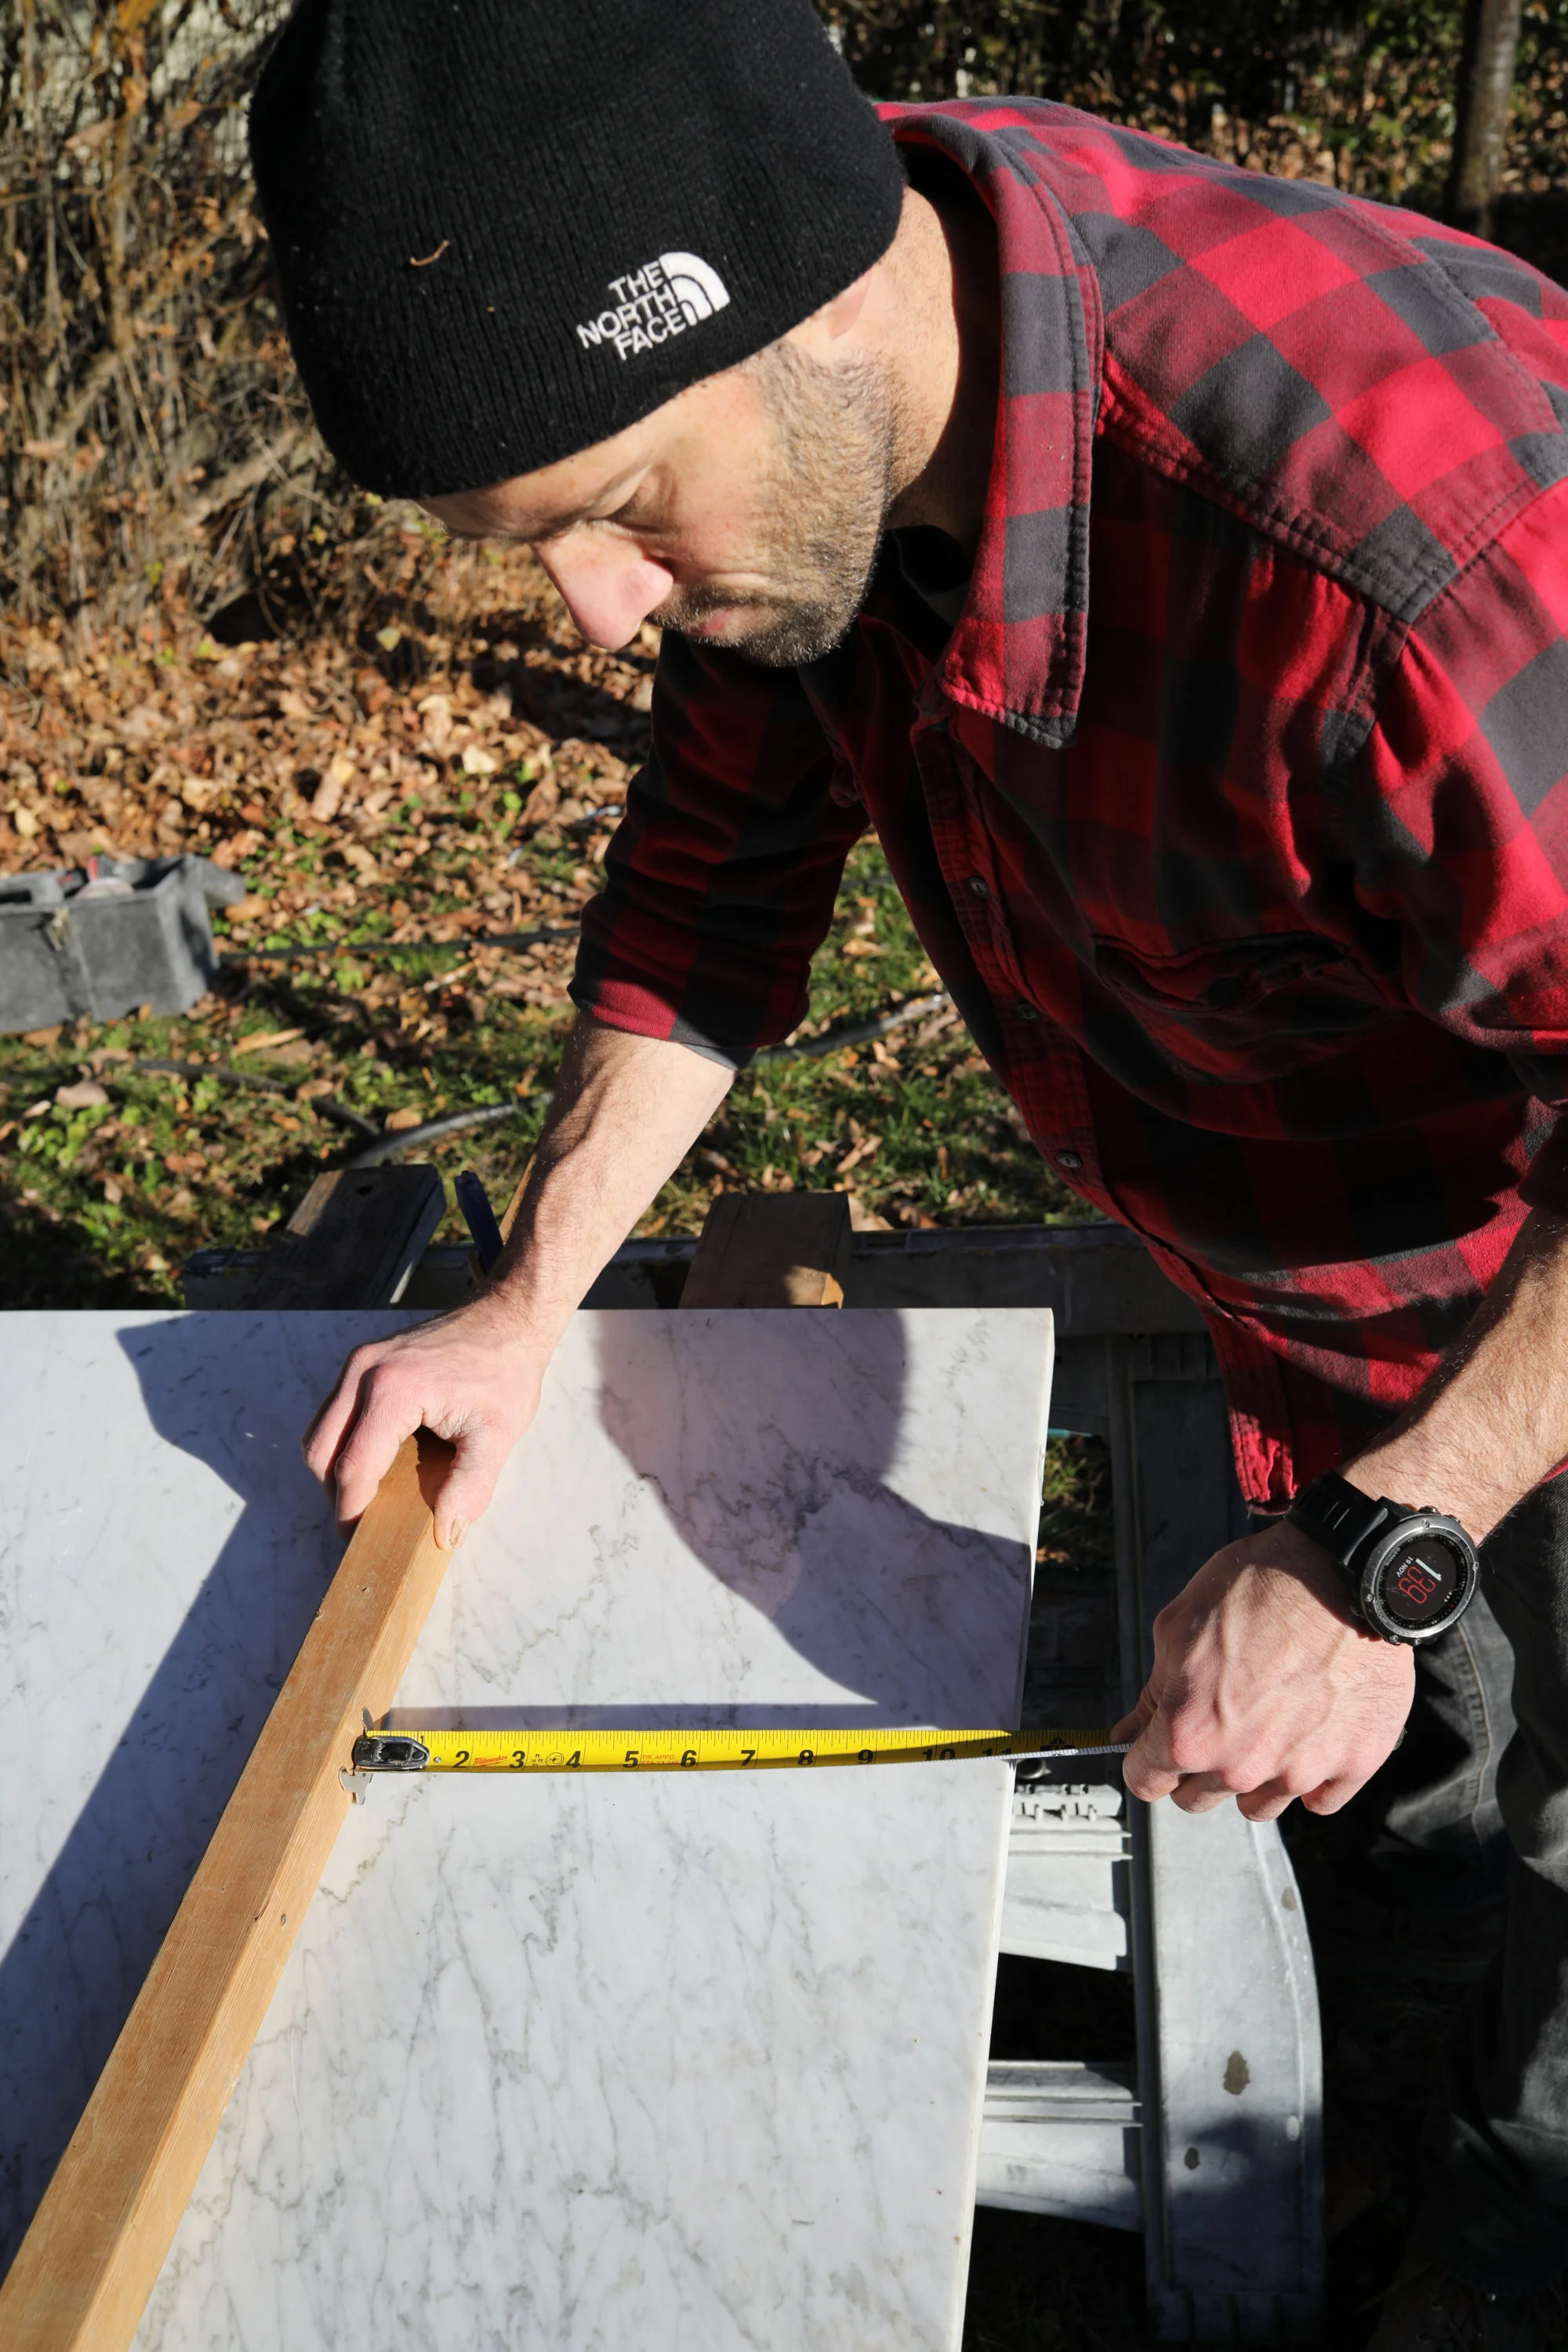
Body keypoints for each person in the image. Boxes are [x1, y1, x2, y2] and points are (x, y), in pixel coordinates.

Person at [249, 2, 1568, 2339]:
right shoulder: (822, 410)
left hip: (1512, 1355)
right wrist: (526, 1295)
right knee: (1414, 1845)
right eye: (537, 549)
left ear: (821, 304)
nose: (602, 614)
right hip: (1347, 1344)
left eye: (617, 510)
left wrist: (1394, 1537)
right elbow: (710, 891)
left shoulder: (1416, 551)